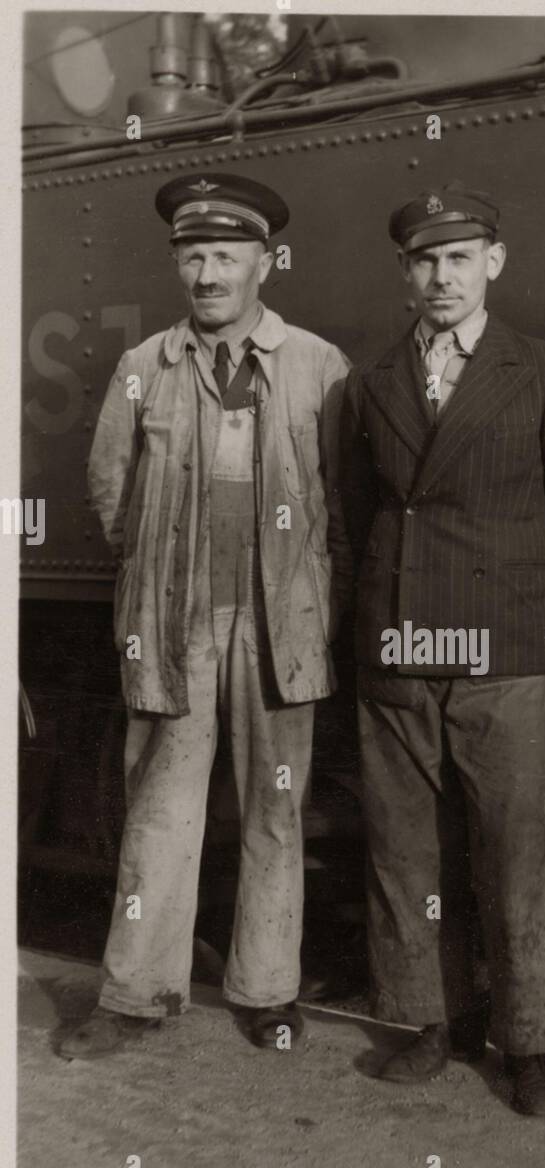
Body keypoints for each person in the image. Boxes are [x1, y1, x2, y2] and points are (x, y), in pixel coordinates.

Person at [60, 174, 351, 1059]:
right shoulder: (144, 367)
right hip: (176, 623)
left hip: (278, 630)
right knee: (160, 809)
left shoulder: (316, 366)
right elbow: (111, 490)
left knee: (274, 811)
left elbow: (341, 503)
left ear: (266, 261)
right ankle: (134, 995)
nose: (207, 272)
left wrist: (306, 596)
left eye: (227, 255)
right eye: (193, 255)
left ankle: (267, 993)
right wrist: (154, 578)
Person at [340, 182, 545, 1116]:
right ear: (405, 272)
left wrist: (518, 612)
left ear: (494, 262)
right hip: (399, 645)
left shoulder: (544, 371)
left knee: (517, 851)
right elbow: (354, 519)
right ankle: (425, 1025)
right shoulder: (370, 385)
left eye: (460, 257)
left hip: (509, 654)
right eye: (424, 260)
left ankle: (528, 1044)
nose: (441, 276)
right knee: (405, 852)